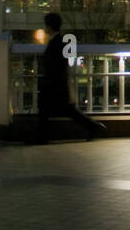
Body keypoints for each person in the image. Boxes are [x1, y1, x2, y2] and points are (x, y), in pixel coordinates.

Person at [34, 13, 106, 143]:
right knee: (67, 111)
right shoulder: (60, 41)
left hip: (54, 84)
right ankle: (93, 126)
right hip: (58, 84)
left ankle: (41, 137)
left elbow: (56, 65)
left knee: (47, 109)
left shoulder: (56, 43)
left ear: (49, 26)